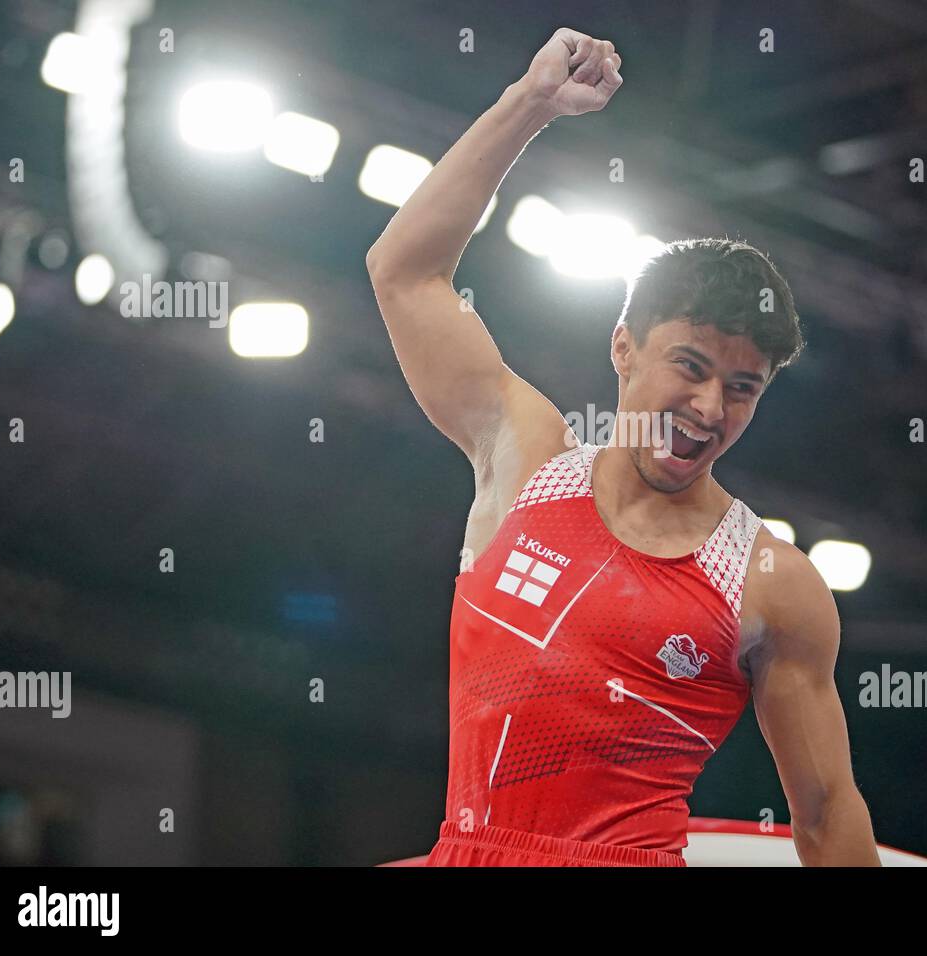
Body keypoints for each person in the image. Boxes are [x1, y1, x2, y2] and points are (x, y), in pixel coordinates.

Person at [367, 27, 879, 866]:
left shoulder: (772, 582)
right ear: (624, 347)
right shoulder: (525, 456)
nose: (709, 408)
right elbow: (405, 271)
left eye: (743, 388)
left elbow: (825, 814)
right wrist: (526, 106)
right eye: (691, 366)